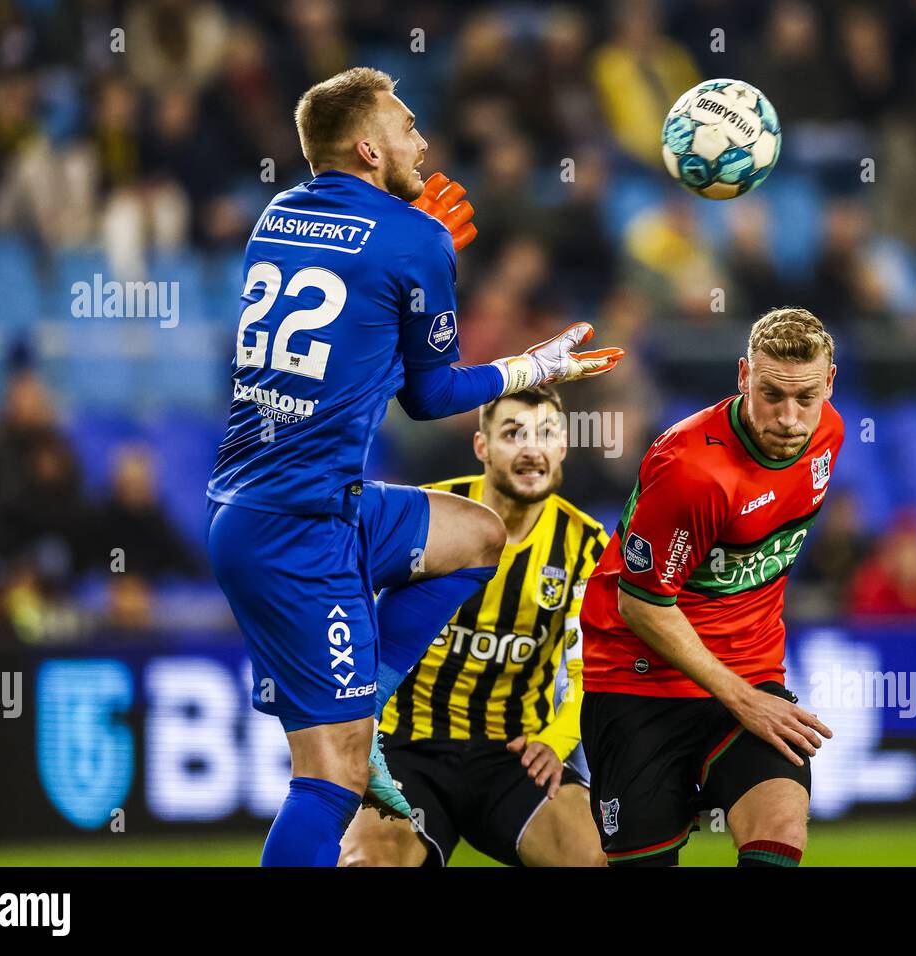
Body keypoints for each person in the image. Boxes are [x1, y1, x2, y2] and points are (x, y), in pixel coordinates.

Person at [205, 67, 622, 866]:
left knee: (476, 533)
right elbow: (430, 397)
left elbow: (360, 324)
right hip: (301, 531)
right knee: (331, 778)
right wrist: (533, 368)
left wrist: (404, 244)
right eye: (405, 126)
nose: (422, 141)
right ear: (369, 146)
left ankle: (373, 690)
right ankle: (359, 727)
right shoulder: (415, 239)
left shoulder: (279, 213)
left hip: (265, 508)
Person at [580, 307, 841, 867]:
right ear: (744, 376)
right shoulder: (693, 472)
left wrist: (753, 692)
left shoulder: (829, 435)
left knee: (780, 825)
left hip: (750, 674)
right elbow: (641, 603)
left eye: (806, 398)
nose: (790, 418)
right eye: (772, 395)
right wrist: (742, 698)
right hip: (638, 683)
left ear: (829, 383)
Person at [341, 386, 607, 866]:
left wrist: (559, 738)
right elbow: (351, 601)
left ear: (563, 446)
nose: (532, 448)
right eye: (513, 434)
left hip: (515, 755)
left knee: (594, 858)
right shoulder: (428, 514)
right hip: (406, 750)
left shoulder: (586, 544)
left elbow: (587, 666)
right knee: (366, 864)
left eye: (546, 434)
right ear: (482, 446)